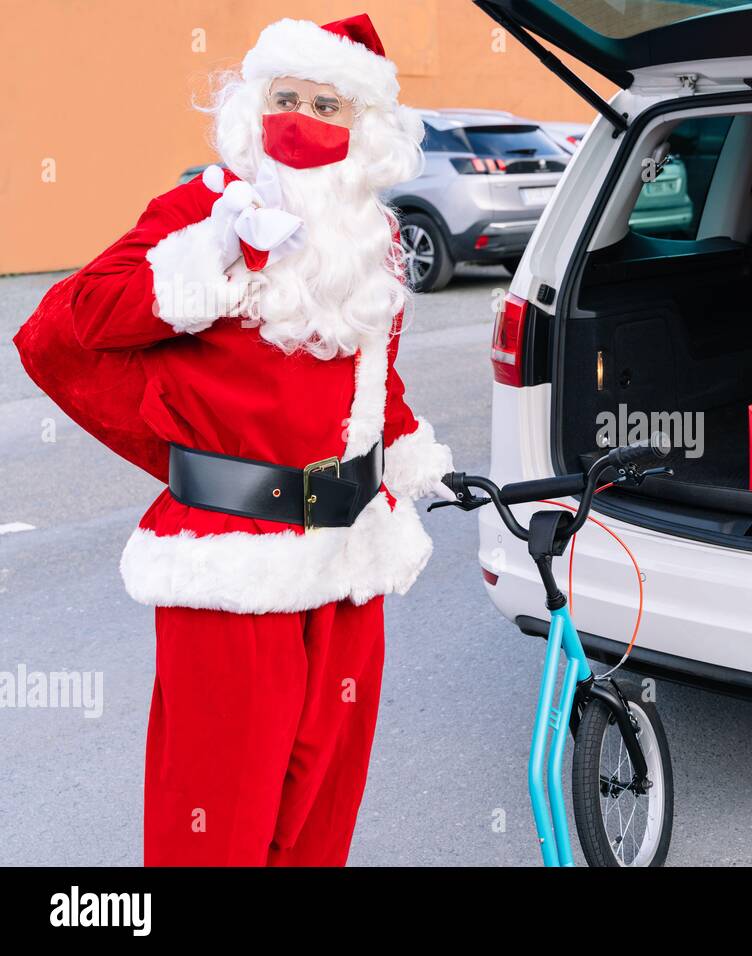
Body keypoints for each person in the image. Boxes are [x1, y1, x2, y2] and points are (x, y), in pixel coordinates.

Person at [64, 13, 454, 865]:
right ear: (253, 104)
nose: (303, 119)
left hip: (350, 554)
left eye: (328, 102)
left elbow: (369, 378)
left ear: (367, 127)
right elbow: (82, 315)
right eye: (286, 97)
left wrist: (417, 455)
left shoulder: (370, 233)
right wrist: (222, 251)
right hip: (232, 556)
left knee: (323, 794)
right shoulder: (205, 206)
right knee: (220, 804)